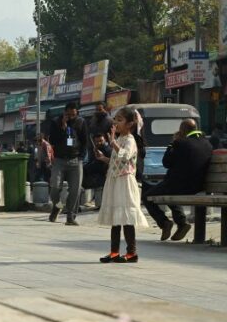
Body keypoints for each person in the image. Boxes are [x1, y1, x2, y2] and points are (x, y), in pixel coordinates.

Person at [142, 118, 212, 242]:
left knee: (147, 197)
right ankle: (182, 223)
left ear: (183, 130)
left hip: (181, 186)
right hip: (199, 186)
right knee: (168, 191)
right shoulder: (207, 143)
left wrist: (172, 143)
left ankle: (164, 223)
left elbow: (166, 163)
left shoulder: (180, 143)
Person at [96, 106, 148, 263]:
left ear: (130, 124)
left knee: (125, 217)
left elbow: (125, 156)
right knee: (116, 218)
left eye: (120, 120)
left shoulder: (130, 140)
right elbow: (116, 160)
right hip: (115, 180)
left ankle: (132, 252)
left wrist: (112, 143)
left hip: (125, 182)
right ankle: (114, 252)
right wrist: (104, 158)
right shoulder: (119, 139)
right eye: (115, 119)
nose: (116, 123)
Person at [47, 101, 90, 225]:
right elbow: (53, 140)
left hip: (75, 160)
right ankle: (57, 205)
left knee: (75, 189)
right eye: (68, 114)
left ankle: (70, 216)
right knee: (55, 186)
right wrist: (63, 127)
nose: (70, 117)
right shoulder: (56, 122)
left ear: (77, 113)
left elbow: (85, 141)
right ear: (64, 112)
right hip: (60, 160)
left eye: (73, 115)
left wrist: (81, 156)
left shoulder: (81, 122)